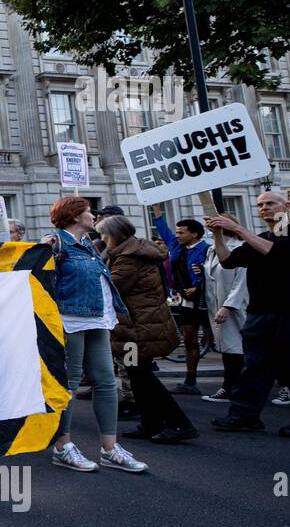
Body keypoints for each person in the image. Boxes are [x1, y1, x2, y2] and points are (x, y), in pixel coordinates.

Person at [206, 191, 290, 437]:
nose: (264, 208)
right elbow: (228, 261)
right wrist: (218, 236)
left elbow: (276, 252)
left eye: (270, 203)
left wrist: (238, 230)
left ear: (287, 206)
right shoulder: (260, 237)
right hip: (260, 313)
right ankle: (244, 416)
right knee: (254, 367)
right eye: (260, 204)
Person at [42, 197, 148, 473]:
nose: (94, 216)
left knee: (106, 381)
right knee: (70, 383)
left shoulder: (89, 244)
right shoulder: (58, 243)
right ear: (75, 216)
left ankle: (110, 449)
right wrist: (46, 247)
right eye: (89, 212)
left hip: (98, 317)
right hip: (70, 320)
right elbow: (41, 274)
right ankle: (62, 447)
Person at [98, 215, 196, 443]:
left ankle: (179, 423)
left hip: (138, 328)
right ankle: (151, 423)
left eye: (103, 234)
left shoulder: (129, 258)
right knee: (137, 375)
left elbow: (111, 286)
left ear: (114, 235)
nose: (101, 238)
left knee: (142, 377)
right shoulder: (131, 251)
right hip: (139, 325)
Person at [153, 205, 210, 395]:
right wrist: (156, 207)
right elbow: (163, 230)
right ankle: (190, 379)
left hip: (207, 301)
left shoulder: (207, 250)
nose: (177, 235)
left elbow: (213, 274)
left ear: (194, 234)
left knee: (219, 340)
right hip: (186, 300)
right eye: (177, 232)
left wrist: (199, 286)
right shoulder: (177, 247)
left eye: (181, 232)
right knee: (189, 339)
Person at [197, 228, 249, 403]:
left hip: (235, 306)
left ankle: (232, 388)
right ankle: (230, 387)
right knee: (229, 348)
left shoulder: (240, 248)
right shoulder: (211, 250)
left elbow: (242, 281)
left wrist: (228, 306)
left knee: (242, 348)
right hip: (216, 305)